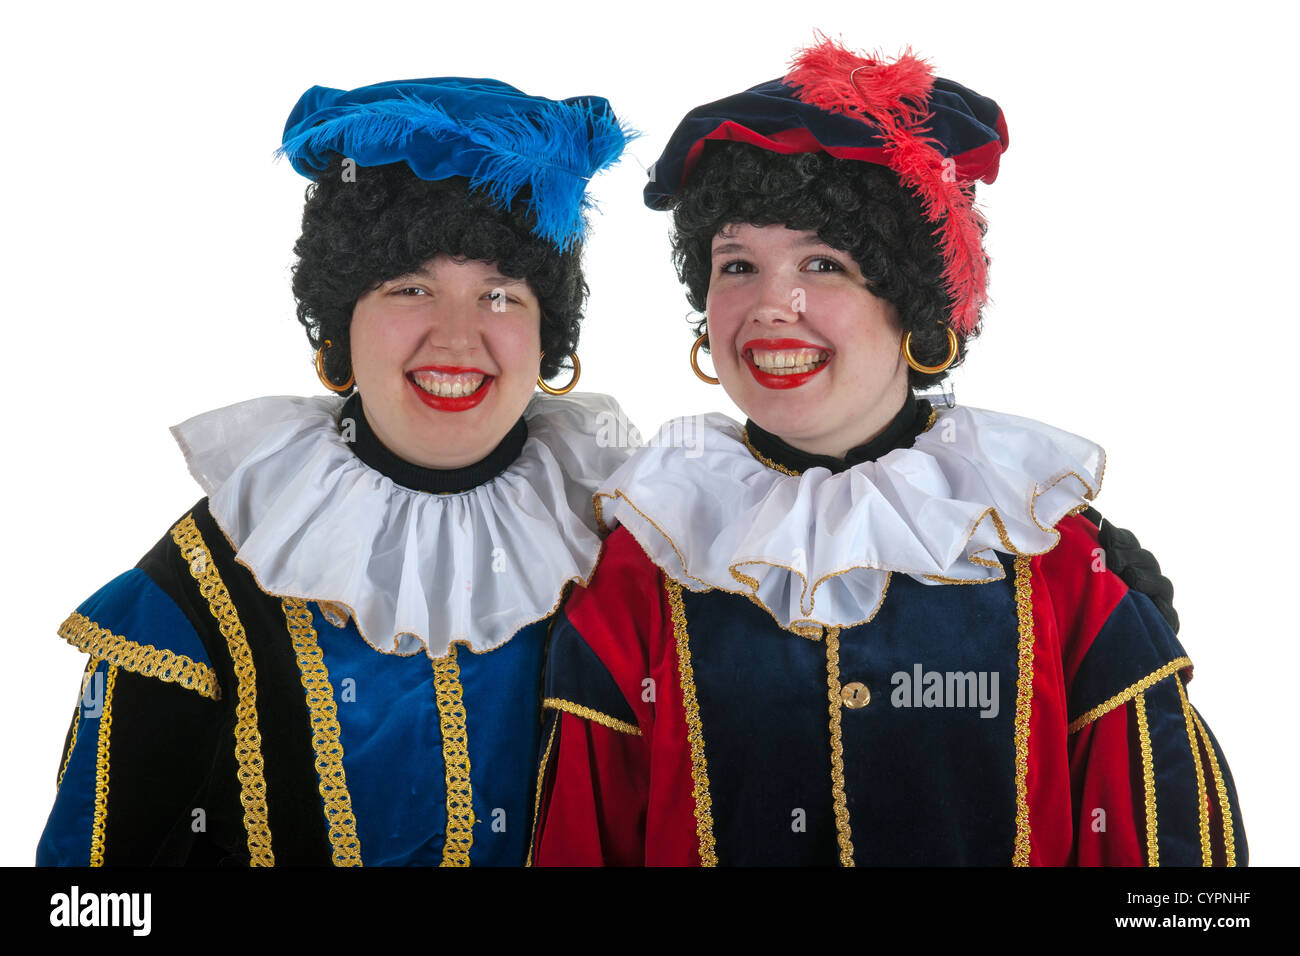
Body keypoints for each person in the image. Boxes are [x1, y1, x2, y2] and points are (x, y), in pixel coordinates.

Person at [529, 38, 1245, 866]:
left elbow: (1164, 856)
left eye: (823, 264)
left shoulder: (1055, 559)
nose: (770, 306)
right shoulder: (645, 567)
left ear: (914, 305)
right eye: (737, 265)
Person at [37, 76, 636, 866]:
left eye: (500, 294)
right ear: (341, 326)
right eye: (411, 288)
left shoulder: (624, 547)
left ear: (546, 332)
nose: (456, 338)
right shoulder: (213, 575)